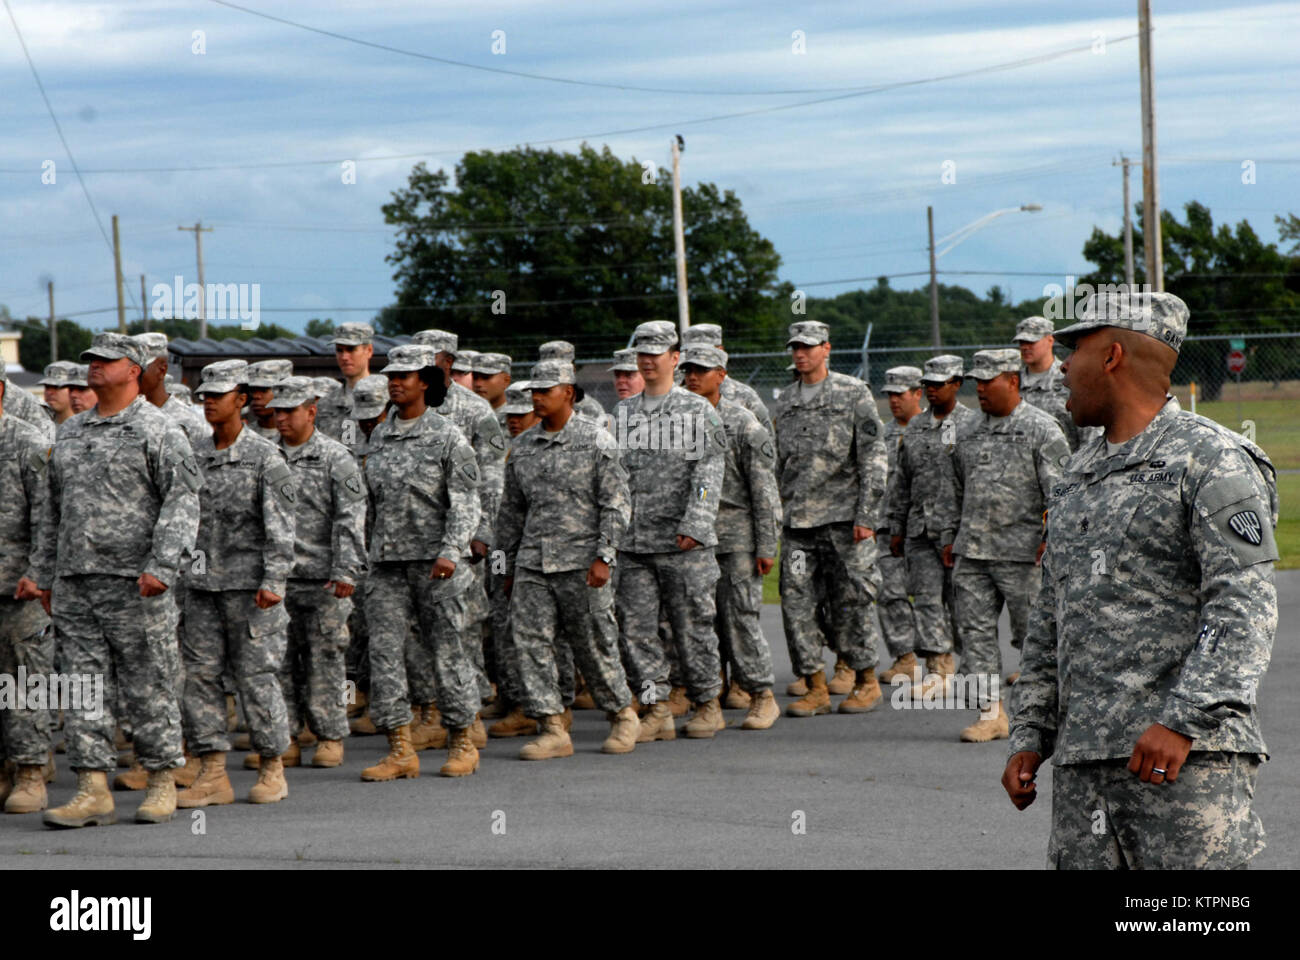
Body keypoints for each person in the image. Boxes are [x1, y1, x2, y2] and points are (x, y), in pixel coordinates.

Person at [1004, 290, 1278, 870]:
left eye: (1073, 350)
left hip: (1184, 761)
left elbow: (1242, 606)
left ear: (1111, 356)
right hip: (1085, 765)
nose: (1058, 368)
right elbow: (1052, 616)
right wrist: (1030, 731)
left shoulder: (1210, 459)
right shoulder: (1077, 472)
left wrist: (1183, 720)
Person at [33, 333, 200, 828]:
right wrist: (43, 573)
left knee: (149, 683)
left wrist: (163, 566)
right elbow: (51, 510)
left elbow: (183, 499)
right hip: (76, 581)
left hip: (136, 581)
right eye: (91, 361)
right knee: (83, 686)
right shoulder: (72, 431)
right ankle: (92, 788)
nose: (94, 368)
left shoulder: (159, 429)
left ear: (134, 369)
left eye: (106, 361)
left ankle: (163, 780)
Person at [496, 359, 639, 758]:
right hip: (533, 563)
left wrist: (604, 557)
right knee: (531, 644)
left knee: (594, 644)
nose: (537, 398)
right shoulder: (523, 446)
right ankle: (552, 726)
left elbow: (616, 505)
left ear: (569, 393)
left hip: (582, 563)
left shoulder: (597, 441)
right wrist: (505, 565)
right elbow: (512, 512)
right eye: (534, 392)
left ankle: (622, 714)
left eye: (546, 391)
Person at [177, 359, 297, 808]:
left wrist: (275, 579)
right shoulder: (195, 455)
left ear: (242, 400)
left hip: (251, 590)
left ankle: (272, 766)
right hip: (202, 589)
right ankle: (211, 771)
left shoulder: (266, 456)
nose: (209, 403)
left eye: (218, 395)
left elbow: (282, 527)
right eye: (204, 396)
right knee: (200, 678)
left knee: (257, 678)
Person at [361, 344, 483, 779]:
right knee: (385, 653)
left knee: (448, 652)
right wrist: (366, 555)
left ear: (425, 382)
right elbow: (371, 505)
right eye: (391, 375)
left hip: (437, 565)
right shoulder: (379, 435)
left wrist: (451, 552)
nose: (395, 381)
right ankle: (399, 748)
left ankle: (462, 741)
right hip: (389, 564)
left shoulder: (447, 435)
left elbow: (466, 502)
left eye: (405, 375)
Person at [935, 349, 1068, 743]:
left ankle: (1049, 713)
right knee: (974, 635)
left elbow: (1060, 492)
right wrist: (948, 537)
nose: (980, 390)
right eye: (976, 382)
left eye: (988, 382)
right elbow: (951, 488)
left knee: (1036, 636)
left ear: (1012, 381)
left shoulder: (1042, 428)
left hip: (1024, 555)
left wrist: (1051, 539)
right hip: (973, 553)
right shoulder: (965, 430)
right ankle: (991, 713)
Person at [612, 321, 728, 742]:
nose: (646, 360)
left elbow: (708, 472)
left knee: (692, 625)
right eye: (641, 352)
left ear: (674, 359)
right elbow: (615, 474)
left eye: (655, 353)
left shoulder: (697, 411)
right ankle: (657, 707)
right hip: (635, 541)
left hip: (683, 543)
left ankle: (707, 704)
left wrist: (696, 522)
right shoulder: (623, 413)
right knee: (637, 628)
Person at [771, 321, 888, 717]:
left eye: (808, 346)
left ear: (826, 348)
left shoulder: (853, 393)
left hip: (844, 523)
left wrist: (867, 515)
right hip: (799, 525)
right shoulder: (785, 401)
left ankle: (866, 680)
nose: (800, 353)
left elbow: (873, 456)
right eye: (795, 347)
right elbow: (777, 464)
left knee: (852, 601)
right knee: (797, 603)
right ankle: (815, 685)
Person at [266, 376, 367, 769]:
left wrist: (345, 569)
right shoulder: (267, 456)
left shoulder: (335, 457)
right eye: (277, 411)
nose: (282, 419)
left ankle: (329, 734)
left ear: (311, 411)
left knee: (327, 656)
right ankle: (287, 735)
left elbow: (350, 517)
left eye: (290, 411)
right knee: (279, 661)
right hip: (277, 578)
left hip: (324, 577)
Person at [409, 330, 504, 743]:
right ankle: (431, 712)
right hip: (411, 541)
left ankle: (471, 715)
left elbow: (493, 475)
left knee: (461, 628)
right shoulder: (403, 409)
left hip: (459, 542)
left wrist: (482, 532)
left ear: (448, 363)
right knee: (418, 630)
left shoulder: (475, 410)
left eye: (428, 361)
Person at [679, 345, 782, 731]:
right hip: (691, 539)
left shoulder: (743, 424)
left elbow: (763, 490)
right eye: (688, 369)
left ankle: (761, 696)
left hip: (734, 536)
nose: (693, 376)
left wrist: (766, 544)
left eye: (702, 370)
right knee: (697, 621)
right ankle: (707, 696)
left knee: (740, 618)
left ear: (721, 375)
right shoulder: (676, 420)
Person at [885, 355, 979, 696]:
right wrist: (896, 526)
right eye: (928, 385)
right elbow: (902, 482)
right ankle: (938, 668)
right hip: (919, 530)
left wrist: (965, 530)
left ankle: (975, 667)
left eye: (940, 384)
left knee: (963, 603)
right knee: (926, 600)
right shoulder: (916, 428)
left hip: (958, 532)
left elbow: (975, 484)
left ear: (957, 384)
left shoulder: (972, 425)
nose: (932, 391)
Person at [0, 365, 54, 814]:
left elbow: (48, 515)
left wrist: (39, 571)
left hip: (19, 586)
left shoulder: (27, 441)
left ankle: (31, 771)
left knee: (25, 682)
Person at [485, 381, 544, 739]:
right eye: (510, 416)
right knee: (500, 617)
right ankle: (510, 696)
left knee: (532, 631)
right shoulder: (505, 448)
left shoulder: (537, 450)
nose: (514, 421)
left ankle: (534, 705)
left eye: (522, 415)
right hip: (499, 549)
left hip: (537, 553)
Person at [874, 367, 923, 684]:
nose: (893, 400)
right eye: (889, 394)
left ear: (917, 393)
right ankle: (905, 657)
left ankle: (942, 659)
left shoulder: (935, 429)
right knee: (889, 591)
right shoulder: (882, 434)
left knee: (937, 597)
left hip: (926, 527)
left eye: (900, 394)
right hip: (888, 525)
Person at [1014, 315, 1097, 451]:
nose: (1025, 347)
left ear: (1050, 340)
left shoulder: (1070, 379)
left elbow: (1089, 436)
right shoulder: (1013, 383)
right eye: (1021, 342)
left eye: (1031, 341)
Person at [679, 324, 773, 438]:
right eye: (691, 351)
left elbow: (766, 439)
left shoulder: (744, 396)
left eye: (704, 351)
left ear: (720, 351)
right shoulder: (676, 399)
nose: (696, 356)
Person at [132, 333, 208, 448]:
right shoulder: (121, 415)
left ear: (162, 370)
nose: (133, 375)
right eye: (130, 368)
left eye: (141, 369)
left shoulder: (189, 423)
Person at [318, 322, 375, 443]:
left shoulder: (386, 400)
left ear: (369, 350)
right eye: (340, 350)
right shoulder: (325, 404)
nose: (344, 357)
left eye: (351, 349)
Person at [539, 340, 606, 422]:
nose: (554, 374)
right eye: (549, 369)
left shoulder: (590, 409)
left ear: (573, 369)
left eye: (560, 368)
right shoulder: (532, 407)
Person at [245, 359, 293, 441]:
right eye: (252, 390)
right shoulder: (244, 435)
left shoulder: (300, 434)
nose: (256, 396)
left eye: (264, 390)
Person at [472, 352, 513, 429]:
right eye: (475, 377)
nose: (478, 384)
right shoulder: (466, 413)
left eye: (486, 377)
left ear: (506, 380)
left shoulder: (517, 417)